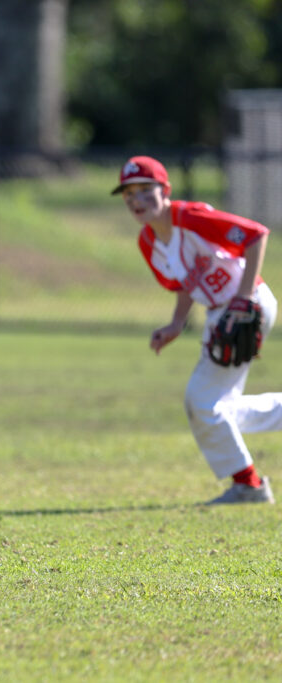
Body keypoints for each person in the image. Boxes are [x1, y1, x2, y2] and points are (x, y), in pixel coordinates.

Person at [114, 155, 282, 504]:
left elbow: (255, 236)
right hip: (221, 313)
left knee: (202, 401)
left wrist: (243, 297)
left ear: (166, 190)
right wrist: (177, 323)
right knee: (218, 407)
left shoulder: (189, 217)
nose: (136, 199)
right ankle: (247, 484)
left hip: (245, 304)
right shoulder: (148, 243)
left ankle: (249, 485)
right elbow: (182, 284)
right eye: (128, 193)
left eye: (145, 189)